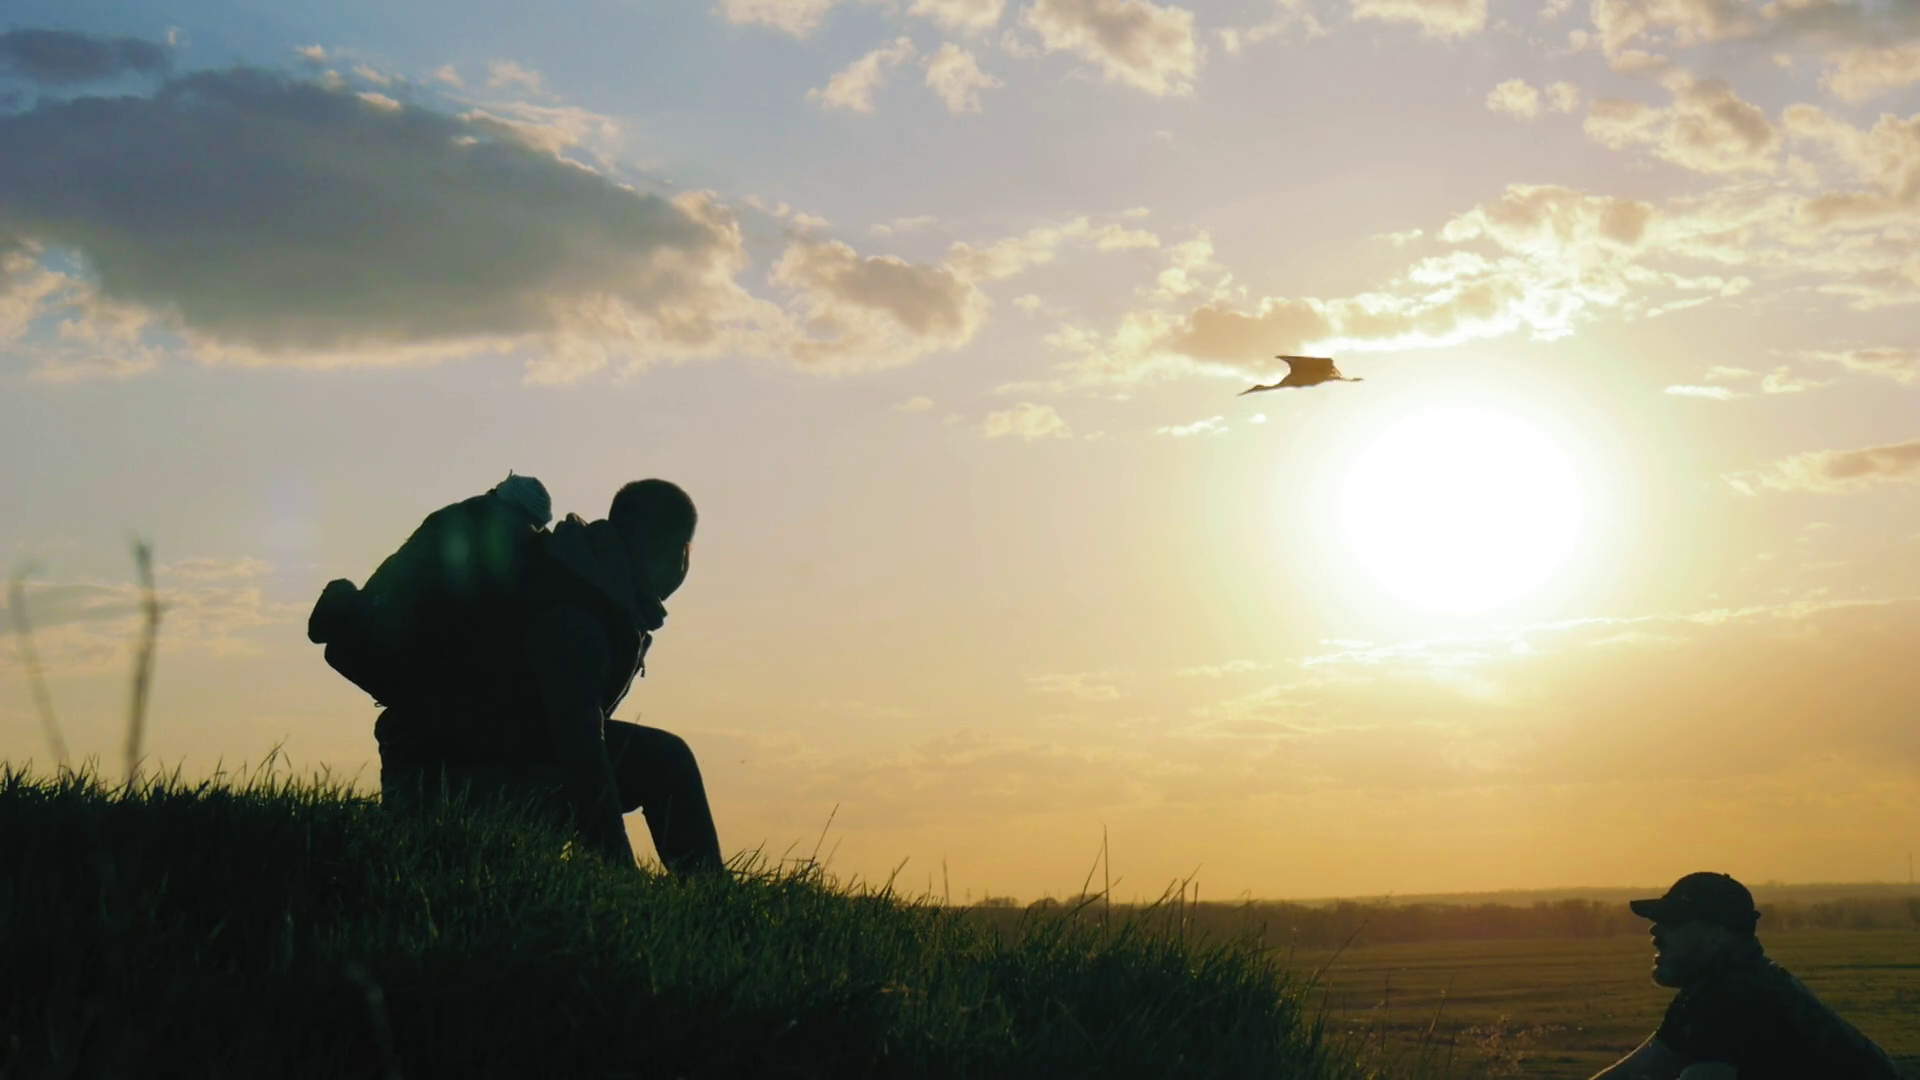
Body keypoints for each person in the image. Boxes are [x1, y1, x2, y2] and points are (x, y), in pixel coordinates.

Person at [371, 478, 724, 877]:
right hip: (445, 789)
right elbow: (580, 751)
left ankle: (712, 905)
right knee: (662, 762)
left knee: (663, 758)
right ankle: (718, 914)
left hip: (460, 767)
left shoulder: (582, 578)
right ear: (679, 553)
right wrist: (619, 873)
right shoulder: (576, 609)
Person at [1589, 871, 1902, 1079]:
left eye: (1674, 921)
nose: (1655, 931)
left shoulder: (1737, 999)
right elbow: (1637, 1072)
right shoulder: (1714, 989)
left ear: (1718, 934)